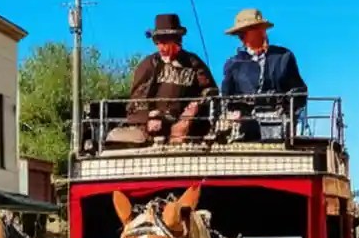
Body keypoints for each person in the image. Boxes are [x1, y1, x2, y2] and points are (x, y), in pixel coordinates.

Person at [111, 14, 217, 146]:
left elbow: (210, 92)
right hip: (151, 132)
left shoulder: (193, 63)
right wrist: (149, 119)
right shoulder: (149, 64)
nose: (161, 47)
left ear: (176, 40)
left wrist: (192, 112)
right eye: (157, 42)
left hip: (186, 131)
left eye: (165, 42)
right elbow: (136, 100)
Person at [220, 8, 307, 140]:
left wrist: (286, 104)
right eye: (252, 30)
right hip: (245, 129)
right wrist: (236, 113)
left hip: (280, 125)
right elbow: (226, 98)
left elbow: (300, 92)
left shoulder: (283, 57)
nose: (261, 33)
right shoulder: (233, 64)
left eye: (260, 29)